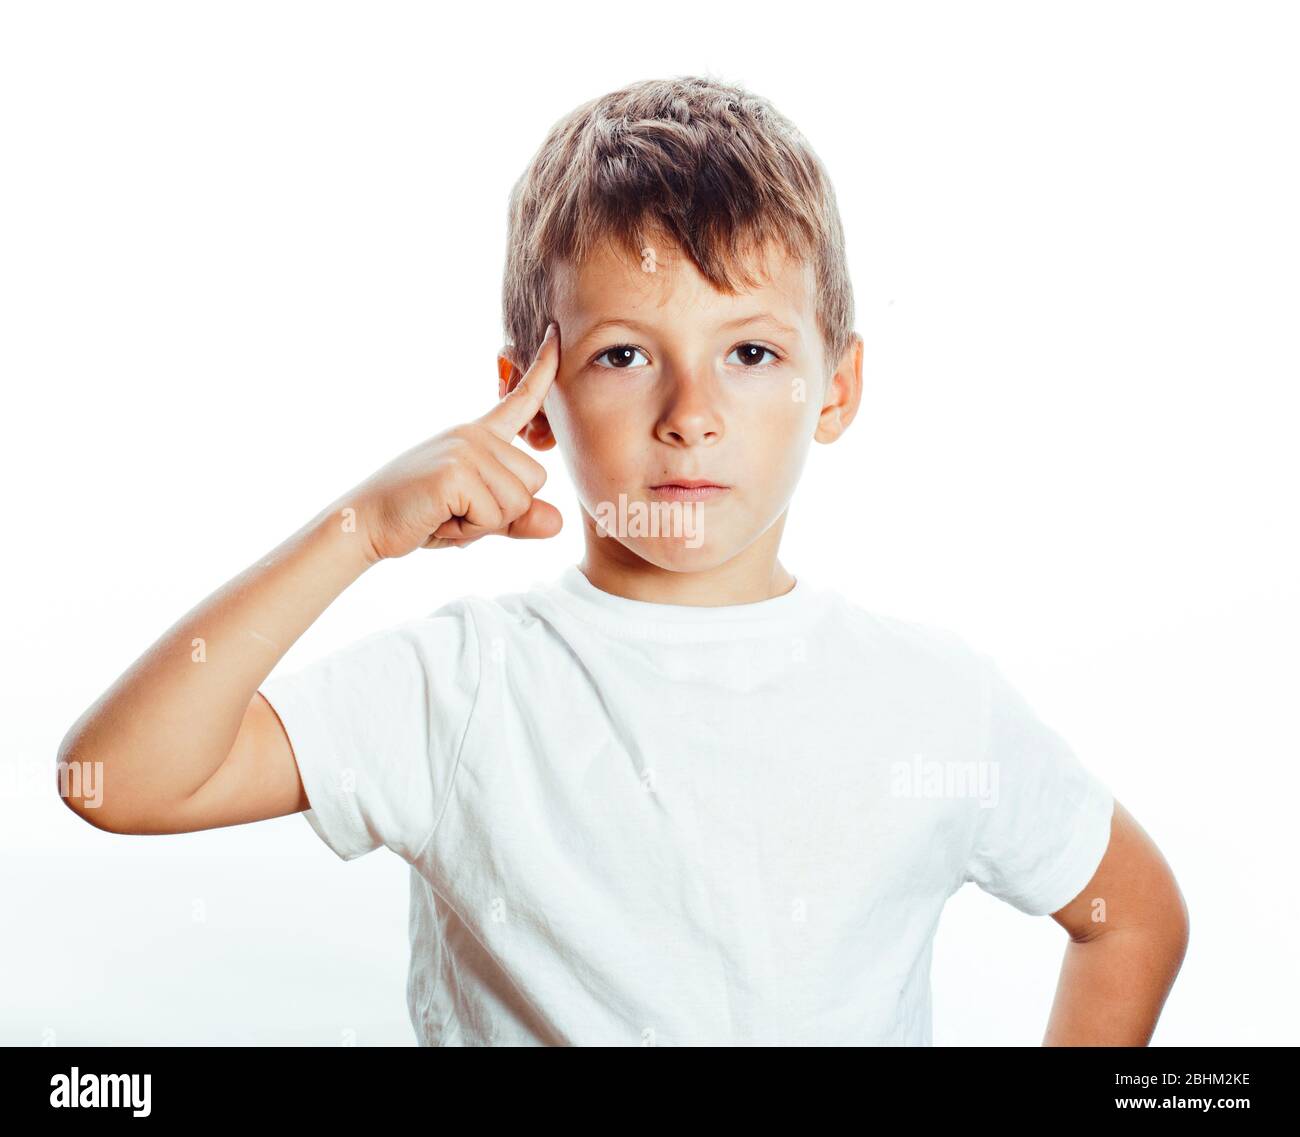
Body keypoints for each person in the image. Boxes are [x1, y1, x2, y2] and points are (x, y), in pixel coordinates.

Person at [58, 74, 1188, 1046]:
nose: (690, 412)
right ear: (528, 401)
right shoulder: (463, 688)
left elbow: (1129, 917)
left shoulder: (935, 700)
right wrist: (355, 531)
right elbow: (119, 780)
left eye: (749, 351)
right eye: (621, 355)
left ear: (834, 388)